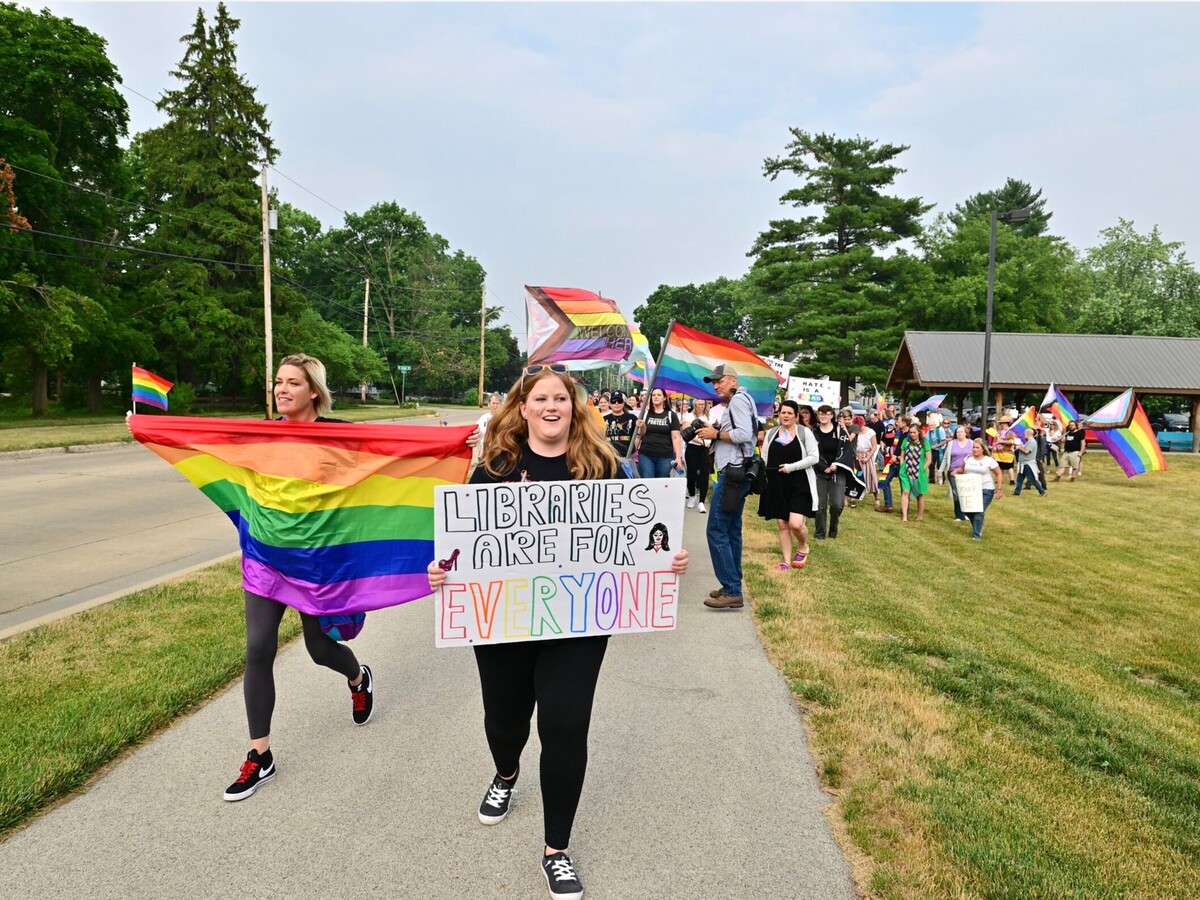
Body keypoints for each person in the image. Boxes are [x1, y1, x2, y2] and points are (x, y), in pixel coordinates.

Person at [427, 363, 688, 900]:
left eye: (561, 399)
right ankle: (505, 773)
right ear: (521, 409)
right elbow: (463, 546)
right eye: (540, 398)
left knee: (566, 726)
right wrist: (443, 570)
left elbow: (642, 538)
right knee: (504, 719)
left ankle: (557, 849)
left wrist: (665, 562)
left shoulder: (603, 468)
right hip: (502, 621)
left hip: (579, 623)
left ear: (575, 408)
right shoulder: (494, 468)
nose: (551, 407)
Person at [225, 354, 375, 801]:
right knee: (258, 647)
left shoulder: (338, 435)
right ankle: (260, 755)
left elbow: (396, 452)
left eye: (293, 382)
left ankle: (357, 678)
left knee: (318, 648)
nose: (281, 389)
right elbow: (206, 445)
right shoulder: (261, 436)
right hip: (266, 559)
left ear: (314, 391)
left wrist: (459, 441)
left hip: (317, 563)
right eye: (277, 382)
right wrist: (149, 429)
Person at [695, 364, 758, 609]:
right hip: (737, 470)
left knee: (716, 530)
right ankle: (732, 585)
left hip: (732, 470)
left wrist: (715, 435)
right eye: (713, 382)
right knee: (731, 531)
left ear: (732, 380)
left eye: (719, 381)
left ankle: (732, 588)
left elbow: (744, 434)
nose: (715, 385)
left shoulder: (739, 401)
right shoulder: (743, 400)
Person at [758, 400, 820, 570]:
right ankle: (785, 561)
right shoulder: (771, 433)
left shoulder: (804, 433)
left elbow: (814, 457)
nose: (785, 416)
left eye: (789, 413)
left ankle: (803, 545)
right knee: (782, 524)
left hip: (800, 482)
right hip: (777, 483)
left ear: (796, 416)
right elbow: (764, 457)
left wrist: (791, 467)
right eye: (783, 412)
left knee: (795, 523)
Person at [810, 404, 850, 538]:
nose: (824, 416)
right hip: (819, 471)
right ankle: (820, 533)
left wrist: (836, 465)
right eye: (821, 413)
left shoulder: (840, 431)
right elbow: (810, 452)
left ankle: (833, 529)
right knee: (820, 505)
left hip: (837, 471)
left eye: (827, 413)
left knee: (836, 504)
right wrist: (822, 467)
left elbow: (847, 450)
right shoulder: (813, 432)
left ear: (832, 415)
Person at [952, 438, 1003, 540]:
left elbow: (998, 473)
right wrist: (955, 472)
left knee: (979, 511)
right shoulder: (968, 459)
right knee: (967, 511)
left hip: (986, 489)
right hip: (970, 489)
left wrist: (999, 489)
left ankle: (976, 536)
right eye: (973, 447)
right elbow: (962, 469)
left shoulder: (989, 461)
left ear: (983, 449)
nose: (975, 449)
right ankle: (978, 526)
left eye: (977, 448)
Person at [635, 387, 684, 479]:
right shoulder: (645, 414)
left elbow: (676, 437)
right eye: (653, 395)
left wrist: (678, 457)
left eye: (659, 395)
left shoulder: (671, 415)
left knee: (661, 483)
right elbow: (640, 434)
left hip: (665, 456)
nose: (655, 397)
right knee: (647, 482)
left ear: (664, 398)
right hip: (646, 454)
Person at [681, 398, 713, 512]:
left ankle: (702, 501)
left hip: (705, 449)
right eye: (698, 404)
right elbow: (687, 433)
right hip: (693, 447)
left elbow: (713, 429)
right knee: (691, 472)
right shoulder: (689, 416)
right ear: (694, 405)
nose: (701, 406)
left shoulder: (709, 416)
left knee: (705, 474)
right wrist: (702, 441)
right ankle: (692, 495)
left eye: (703, 404)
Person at [898, 420, 931, 522]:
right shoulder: (905, 442)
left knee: (919, 494)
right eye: (911, 432)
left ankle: (920, 515)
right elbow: (902, 456)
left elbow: (929, 460)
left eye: (914, 432)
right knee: (905, 491)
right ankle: (904, 516)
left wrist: (922, 470)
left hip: (918, 472)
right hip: (906, 471)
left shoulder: (925, 443)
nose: (912, 434)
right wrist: (902, 465)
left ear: (918, 432)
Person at [942, 424, 975, 522]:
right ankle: (959, 515)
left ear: (965, 433)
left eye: (961, 432)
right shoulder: (952, 443)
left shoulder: (971, 443)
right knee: (956, 493)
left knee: (966, 493)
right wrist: (941, 471)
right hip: (953, 471)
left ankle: (966, 513)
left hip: (966, 472)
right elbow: (945, 457)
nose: (959, 433)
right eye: (958, 432)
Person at [853, 414, 880, 510]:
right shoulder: (854, 432)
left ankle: (876, 497)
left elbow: (874, 446)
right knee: (856, 477)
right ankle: (854, 497)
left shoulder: (870, 432)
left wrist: (868, 457)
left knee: (871, 477)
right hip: (857, 457)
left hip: (867, 456)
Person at [603, 390, 638, 459]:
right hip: (609, 456)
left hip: (627, 456)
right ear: (610, 404)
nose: (616, 403)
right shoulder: (604, 419)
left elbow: (639, 435)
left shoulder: (632, 418)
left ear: (623, 403)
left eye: (619, 401)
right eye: (613, 401)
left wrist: (633, 450)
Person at [1013, 425, 1047, 496]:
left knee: (1033, 479)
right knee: (1020, 478)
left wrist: (1019, 447)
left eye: (1024, 434)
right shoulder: (1028, 442)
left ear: (1028, 434)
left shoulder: (1032, 442)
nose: (1024, 435)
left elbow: (1027, 451)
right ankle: (1017, 492)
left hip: (1028, 464)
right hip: (1023, 463)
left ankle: (1042, 491)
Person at [991, 418, 1017, 485]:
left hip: (1007, 453)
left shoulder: (1010, 432)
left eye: (1002, 423)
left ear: (1006, 423)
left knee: (1009, 467)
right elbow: (995, 440)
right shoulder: (999, 432)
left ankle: (1012, 480)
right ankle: (1000, 480)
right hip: (999, 453)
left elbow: (1011, 441)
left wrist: (1001, 441)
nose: (1001, 424)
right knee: (1000, 467)